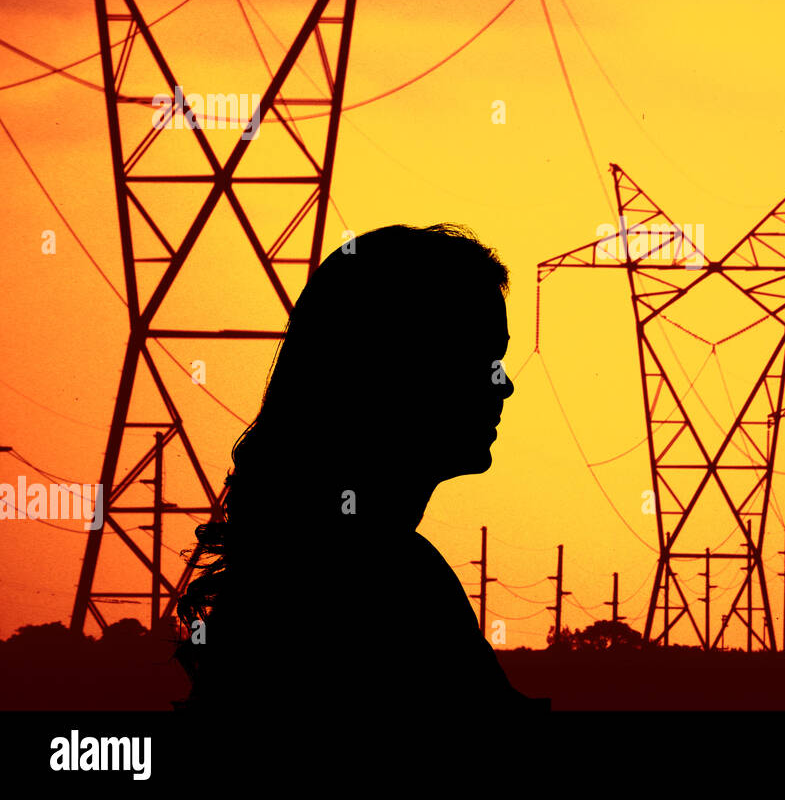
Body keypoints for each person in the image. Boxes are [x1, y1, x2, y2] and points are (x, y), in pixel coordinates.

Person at [175, 224, 543, 748]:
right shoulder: (385, 578)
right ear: (398, 370)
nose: (505, 385)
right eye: (481, 359)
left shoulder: (301, 561)